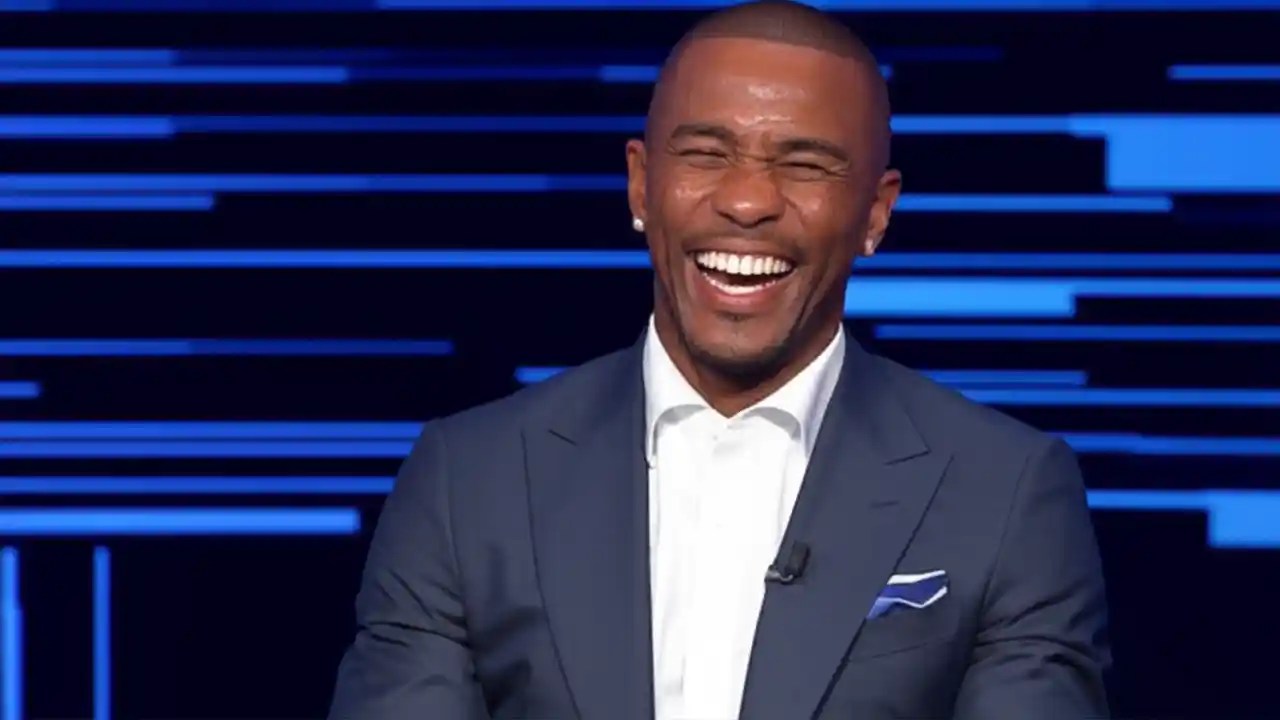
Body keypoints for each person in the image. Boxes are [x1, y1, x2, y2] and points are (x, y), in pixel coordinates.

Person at [327, 1, 1111, 718]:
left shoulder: (1006, 493)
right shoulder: (468, 481)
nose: (747, 201)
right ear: (641, 185)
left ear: (876, 212)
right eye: (706, 154)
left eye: (805, 165)